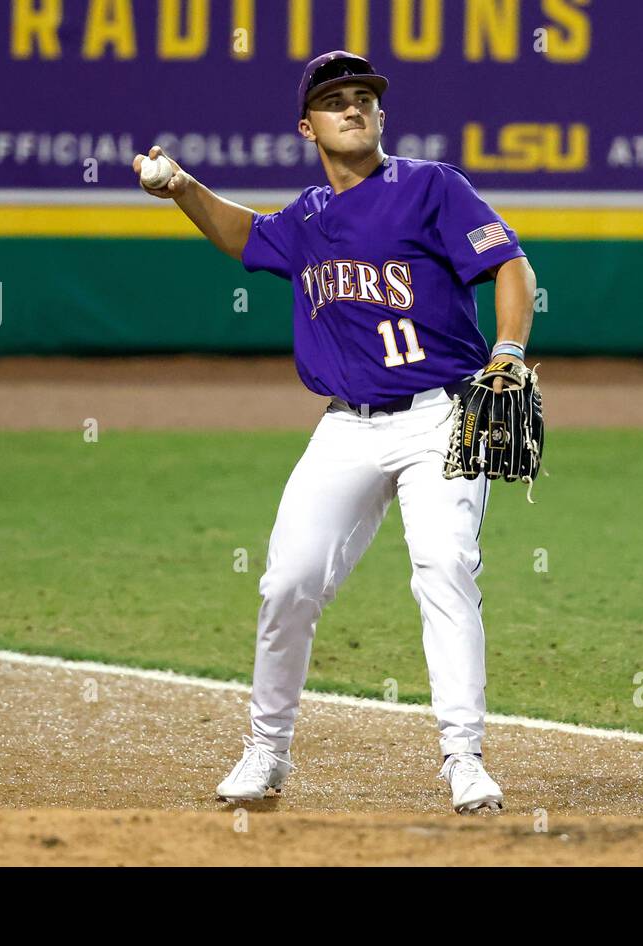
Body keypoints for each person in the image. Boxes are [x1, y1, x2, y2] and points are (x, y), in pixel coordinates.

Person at [134, 51, 536, 813]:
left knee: (446, 564)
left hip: (441, 419)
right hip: (346, 428)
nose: (353, 108)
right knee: (287, 582)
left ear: (381, 115)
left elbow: (511, 264)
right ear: (307, 126)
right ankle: (266, 752)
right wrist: (182, 188)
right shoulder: (308, 218)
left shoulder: (430, 187)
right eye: (335, 101)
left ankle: (464, 758)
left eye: (364, 98)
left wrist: (509, 348)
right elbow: (244, 236)